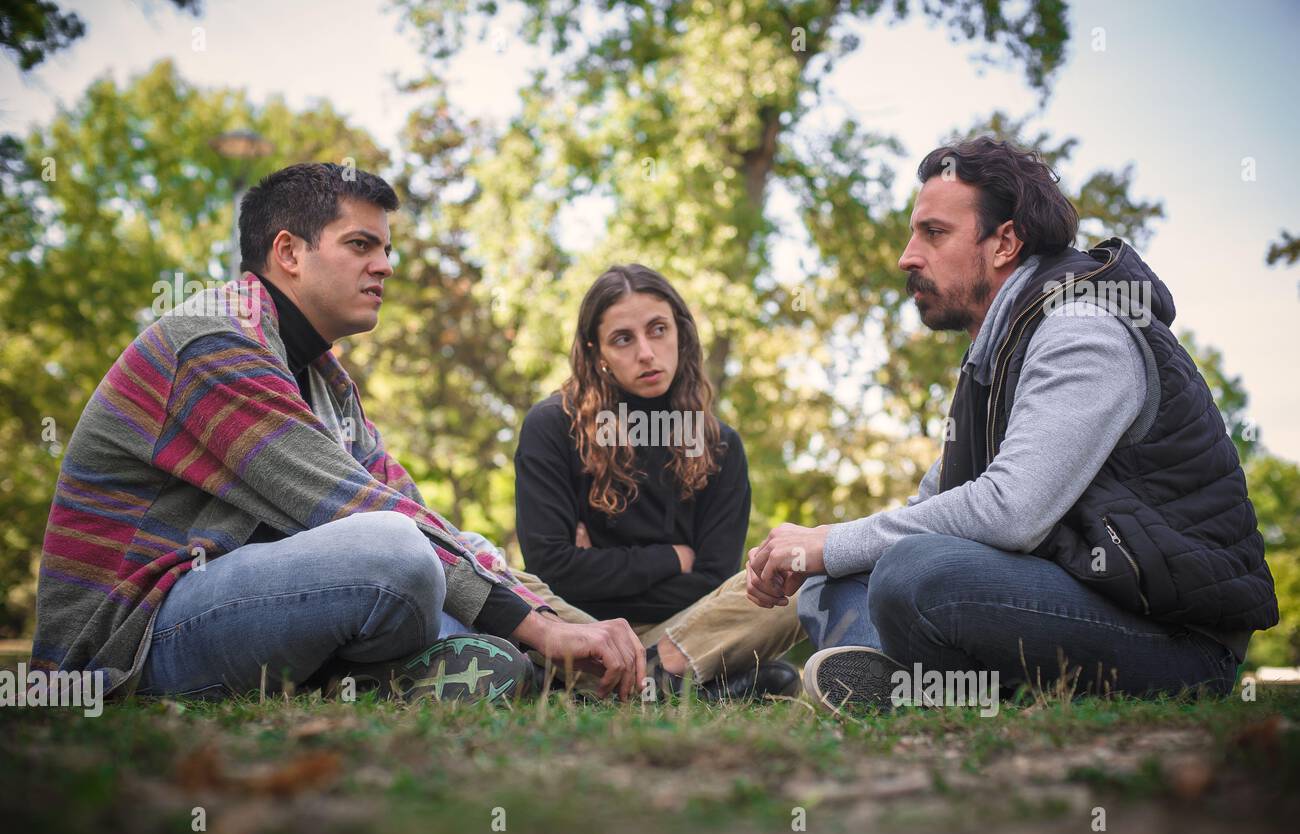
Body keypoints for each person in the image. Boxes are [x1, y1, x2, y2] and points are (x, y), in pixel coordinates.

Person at [30, 162, 647, 705]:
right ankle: (433, 667)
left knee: (462, 552)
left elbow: (416, 510)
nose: (386, 265)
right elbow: (354, 511)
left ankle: (516, 670)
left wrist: (550, 620)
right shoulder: (214, 341)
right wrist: (543, 632)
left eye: (385, 248)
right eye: (361, 244)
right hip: (127, 639)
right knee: (394, 553)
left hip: (236, 606)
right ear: (289, 252)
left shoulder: (326, 380)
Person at [745, 137, 1279, 712]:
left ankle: (917, 691)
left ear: (1004, 242)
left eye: (934, 233)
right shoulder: (995, 356)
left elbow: (1011, 513)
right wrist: (828, 548)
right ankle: (901, 688)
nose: (907, 256)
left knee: (909, 571)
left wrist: (828, 541)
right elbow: (937, 505)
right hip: (1070, 600)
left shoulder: (1081, 330)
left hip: (1175, 640)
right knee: (836, 575)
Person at [513, 264, 804, 700]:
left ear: (681, 334)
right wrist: (674, 557)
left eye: (658, 330)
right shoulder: (553, 426)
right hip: (583, 627)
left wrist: (596, 565)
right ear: (597, 354)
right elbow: (552, 570)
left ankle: (635, 678)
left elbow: (712, 579)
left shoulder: (720, 445)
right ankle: (682, 683)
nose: (646, 352)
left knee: (802, 578)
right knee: (508, 584)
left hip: (686, 630)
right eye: (623, 339)